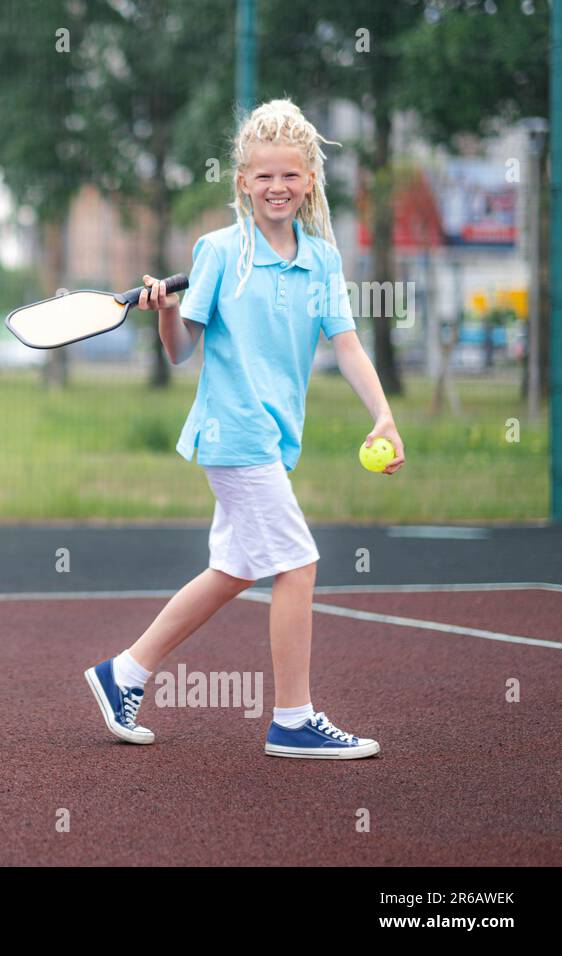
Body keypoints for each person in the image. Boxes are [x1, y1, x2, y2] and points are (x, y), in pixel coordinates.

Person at [85, 99, 404, 759]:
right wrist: (165, 313)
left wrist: (385, 415)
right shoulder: (219, 252)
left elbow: (345, 346)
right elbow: (181, 351)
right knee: (299, 563)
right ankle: (293, 718)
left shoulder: (319, 262)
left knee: (233, 569)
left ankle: (126, 672)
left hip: (271, 438)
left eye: (290, 175)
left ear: (310, 179)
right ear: (242, 182)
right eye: (263, 176)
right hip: (234, 434)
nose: (277, 187)